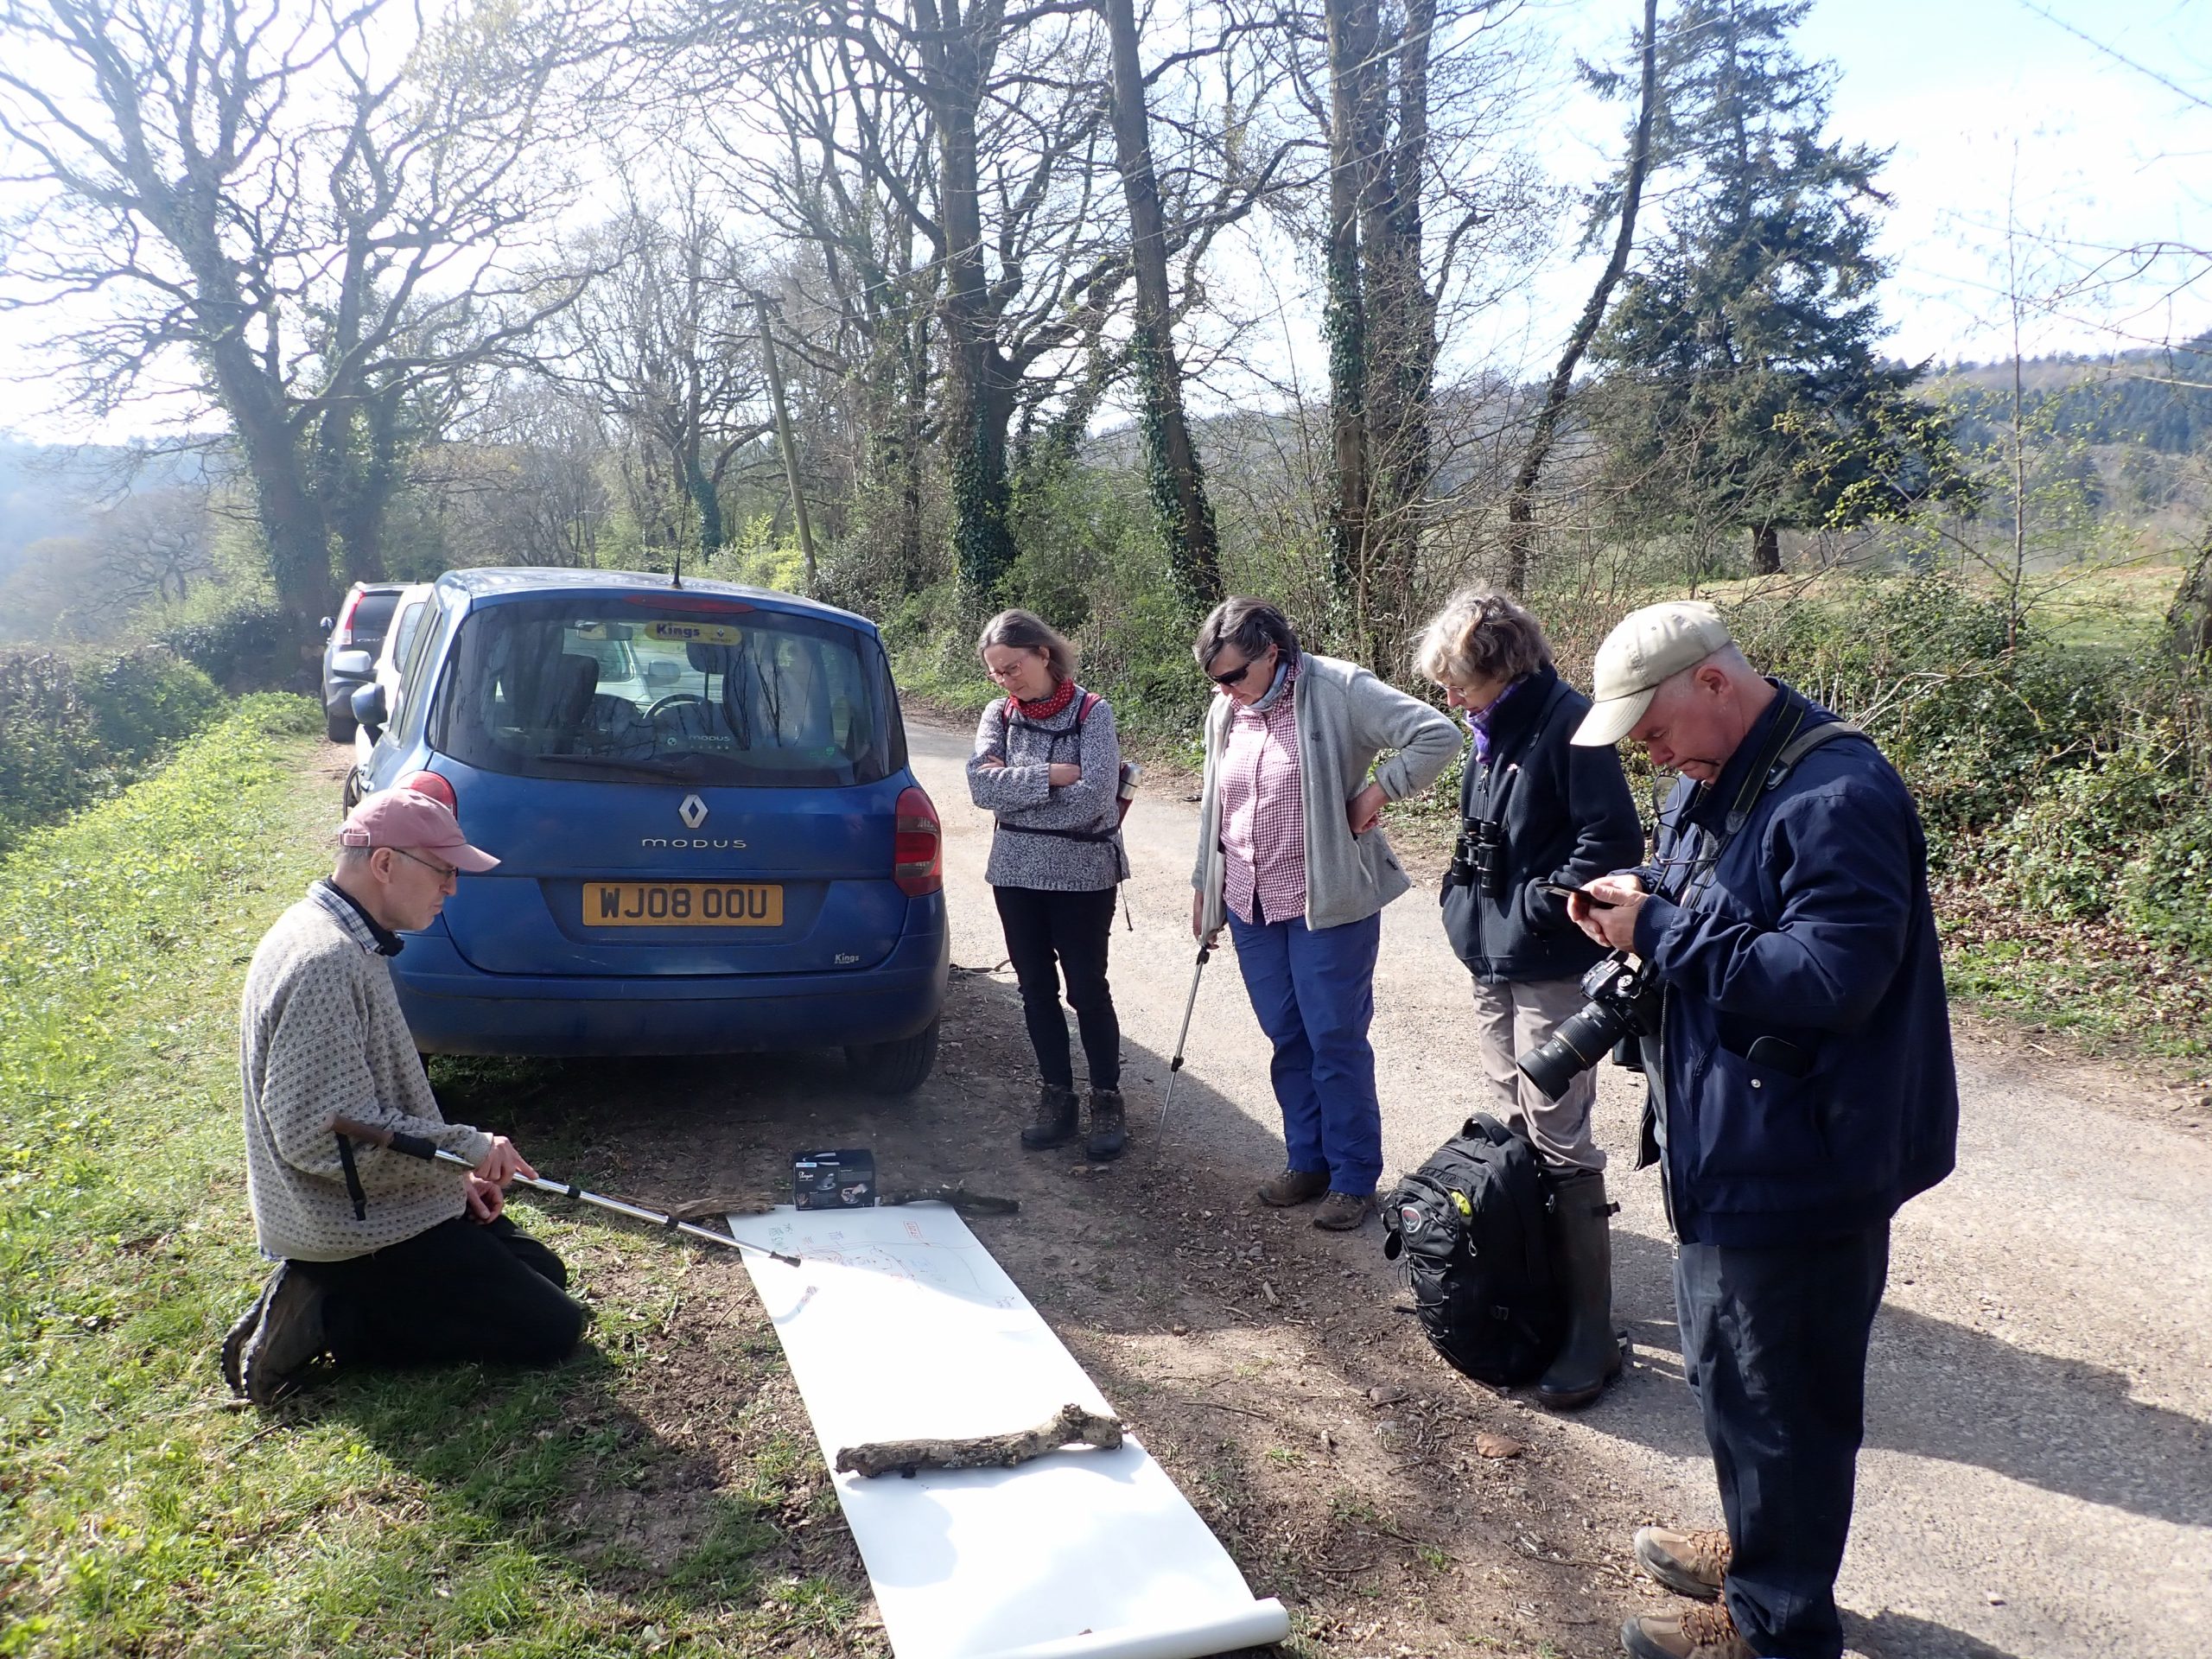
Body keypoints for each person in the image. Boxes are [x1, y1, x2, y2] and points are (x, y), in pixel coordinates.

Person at [1564, 601, 1958, 1659]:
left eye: (1650, 732)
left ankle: (1777, 1627)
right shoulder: (1716, 776)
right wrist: (1634, 893)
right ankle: (1757, 1549)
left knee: (1785, 1398)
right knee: (1730, 1371)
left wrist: (1665, 928)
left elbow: (1832, 978)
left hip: (1807, 1158)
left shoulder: (1839, 796)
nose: (1648, 755)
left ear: (1711, 683)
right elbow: (1705, 899)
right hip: (1729, 1143)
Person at [222, 787, 590, 1407]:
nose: (451, 889)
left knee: (542, 1274)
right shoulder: (325, 962)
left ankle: (351, 1290)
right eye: (443, 872)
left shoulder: (350, 937)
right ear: (386, 863)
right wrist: (465, 1150)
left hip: (380, 1206)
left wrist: (451, 1180)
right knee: (554, 1328)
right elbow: (322, 1135)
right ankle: (335, 1312)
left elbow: (364, 1108)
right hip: (349, 1226)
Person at [1412, 589, 1643, 1408]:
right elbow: (1477, 841)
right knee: (1513, 1115)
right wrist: (1459, 901)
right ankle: (1536, 1284)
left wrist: (1535, 904)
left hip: (1546, 963)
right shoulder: (1490, 728)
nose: (1450, 697)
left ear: (1503, 665)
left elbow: (1611, 843)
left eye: (1459, 682)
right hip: (1490, 958)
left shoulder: (1573, 724)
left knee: (1557, 1128)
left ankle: (1591, 1334)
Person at [1190, 598, 1460, 1230]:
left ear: (1273, 653)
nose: (1225, 691)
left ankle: (1352, 1178)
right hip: (1252, 903)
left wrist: (1376, 791)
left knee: (1333, 1038)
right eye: (1215, 680)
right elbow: (1214, 804)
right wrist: (1207, 881)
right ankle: (1305, 1161)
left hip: (1327, 903)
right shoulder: (1227, 709)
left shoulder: (1339, 687)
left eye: (1233, 676)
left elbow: (1437, 734)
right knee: (1287, 1035)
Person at [968, 610, 1132, 1160]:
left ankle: (1106, 1098)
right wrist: (1053, 776)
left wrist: (1020, 797)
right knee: (1035, 988)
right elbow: (979, 788)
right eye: (997, 673)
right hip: (1014, 876)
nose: (1007, 680)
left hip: (1082, 877)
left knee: (1086, 988)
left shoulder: (1093, 713)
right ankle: (1055, 1096)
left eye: (1013, 667)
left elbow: (1096, 799)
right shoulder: (999, 715)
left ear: (1043, 653)